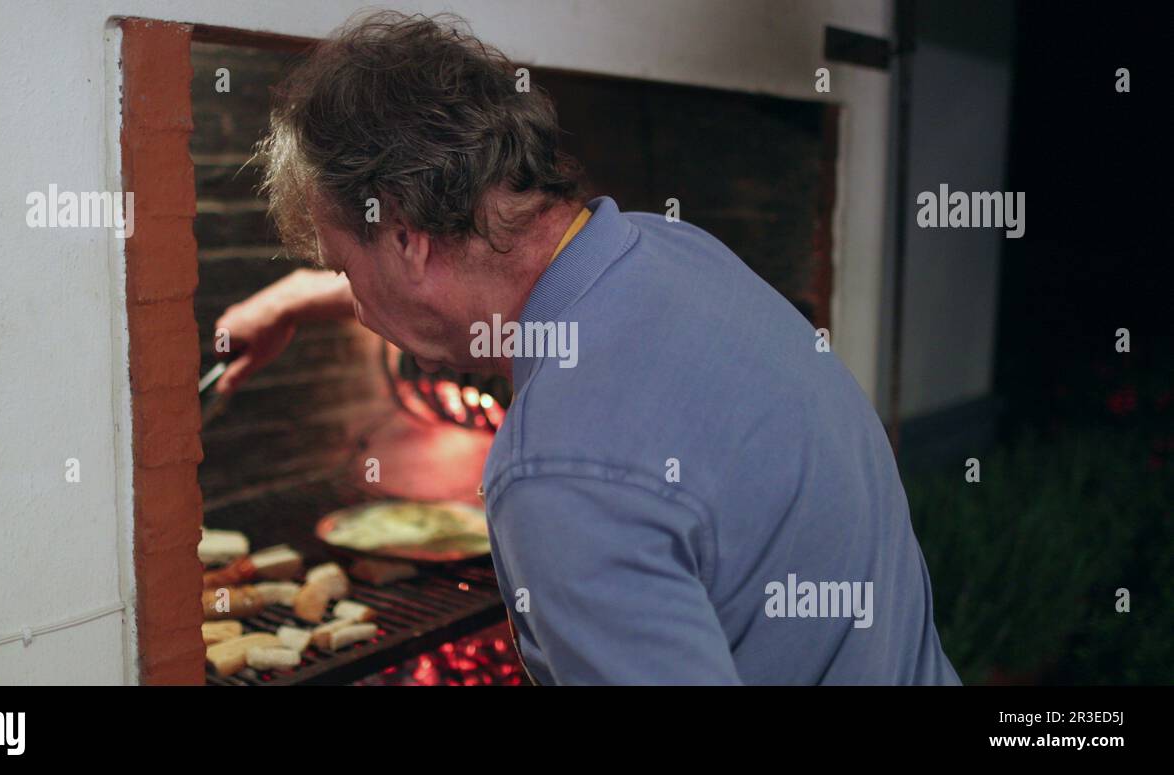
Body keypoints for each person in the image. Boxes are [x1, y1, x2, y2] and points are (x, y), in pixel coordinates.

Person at [214, 11, 960, 685]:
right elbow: (470, 286)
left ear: (406, 235)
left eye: (345, 267)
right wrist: (294, 300)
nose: (361, 306)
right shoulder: (671, 248)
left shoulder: (557, 472)